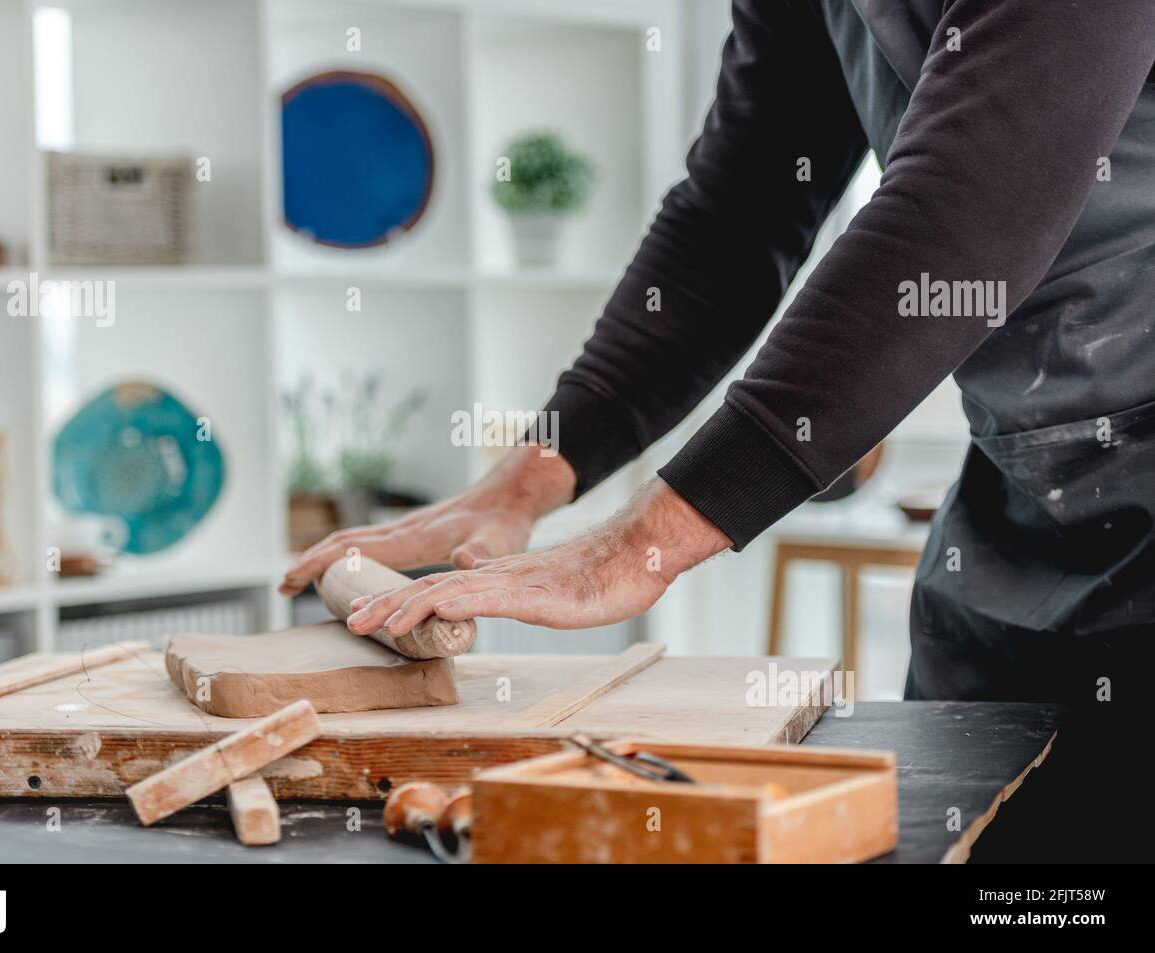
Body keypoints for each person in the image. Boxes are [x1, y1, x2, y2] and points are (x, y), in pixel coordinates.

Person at [283, 1, 1155, 859]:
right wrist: (522, 486)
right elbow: (738, 214)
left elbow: (961, 213)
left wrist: (640, 545)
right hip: (1015, 506)